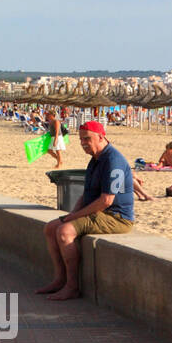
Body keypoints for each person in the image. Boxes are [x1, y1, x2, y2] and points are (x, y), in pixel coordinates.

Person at [40, 120, 134, 300]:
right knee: (50, 228)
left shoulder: (113, 160)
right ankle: (60, 279)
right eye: (81, 140)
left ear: (101, 137)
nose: (83, 143)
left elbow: (106, 201)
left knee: (64, 232)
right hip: (100, 213)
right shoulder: (95, 160)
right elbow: (86, 195)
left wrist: (74, 218)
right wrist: (71, 215)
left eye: (87, 139)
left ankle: (72, 286)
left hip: (116, 217)